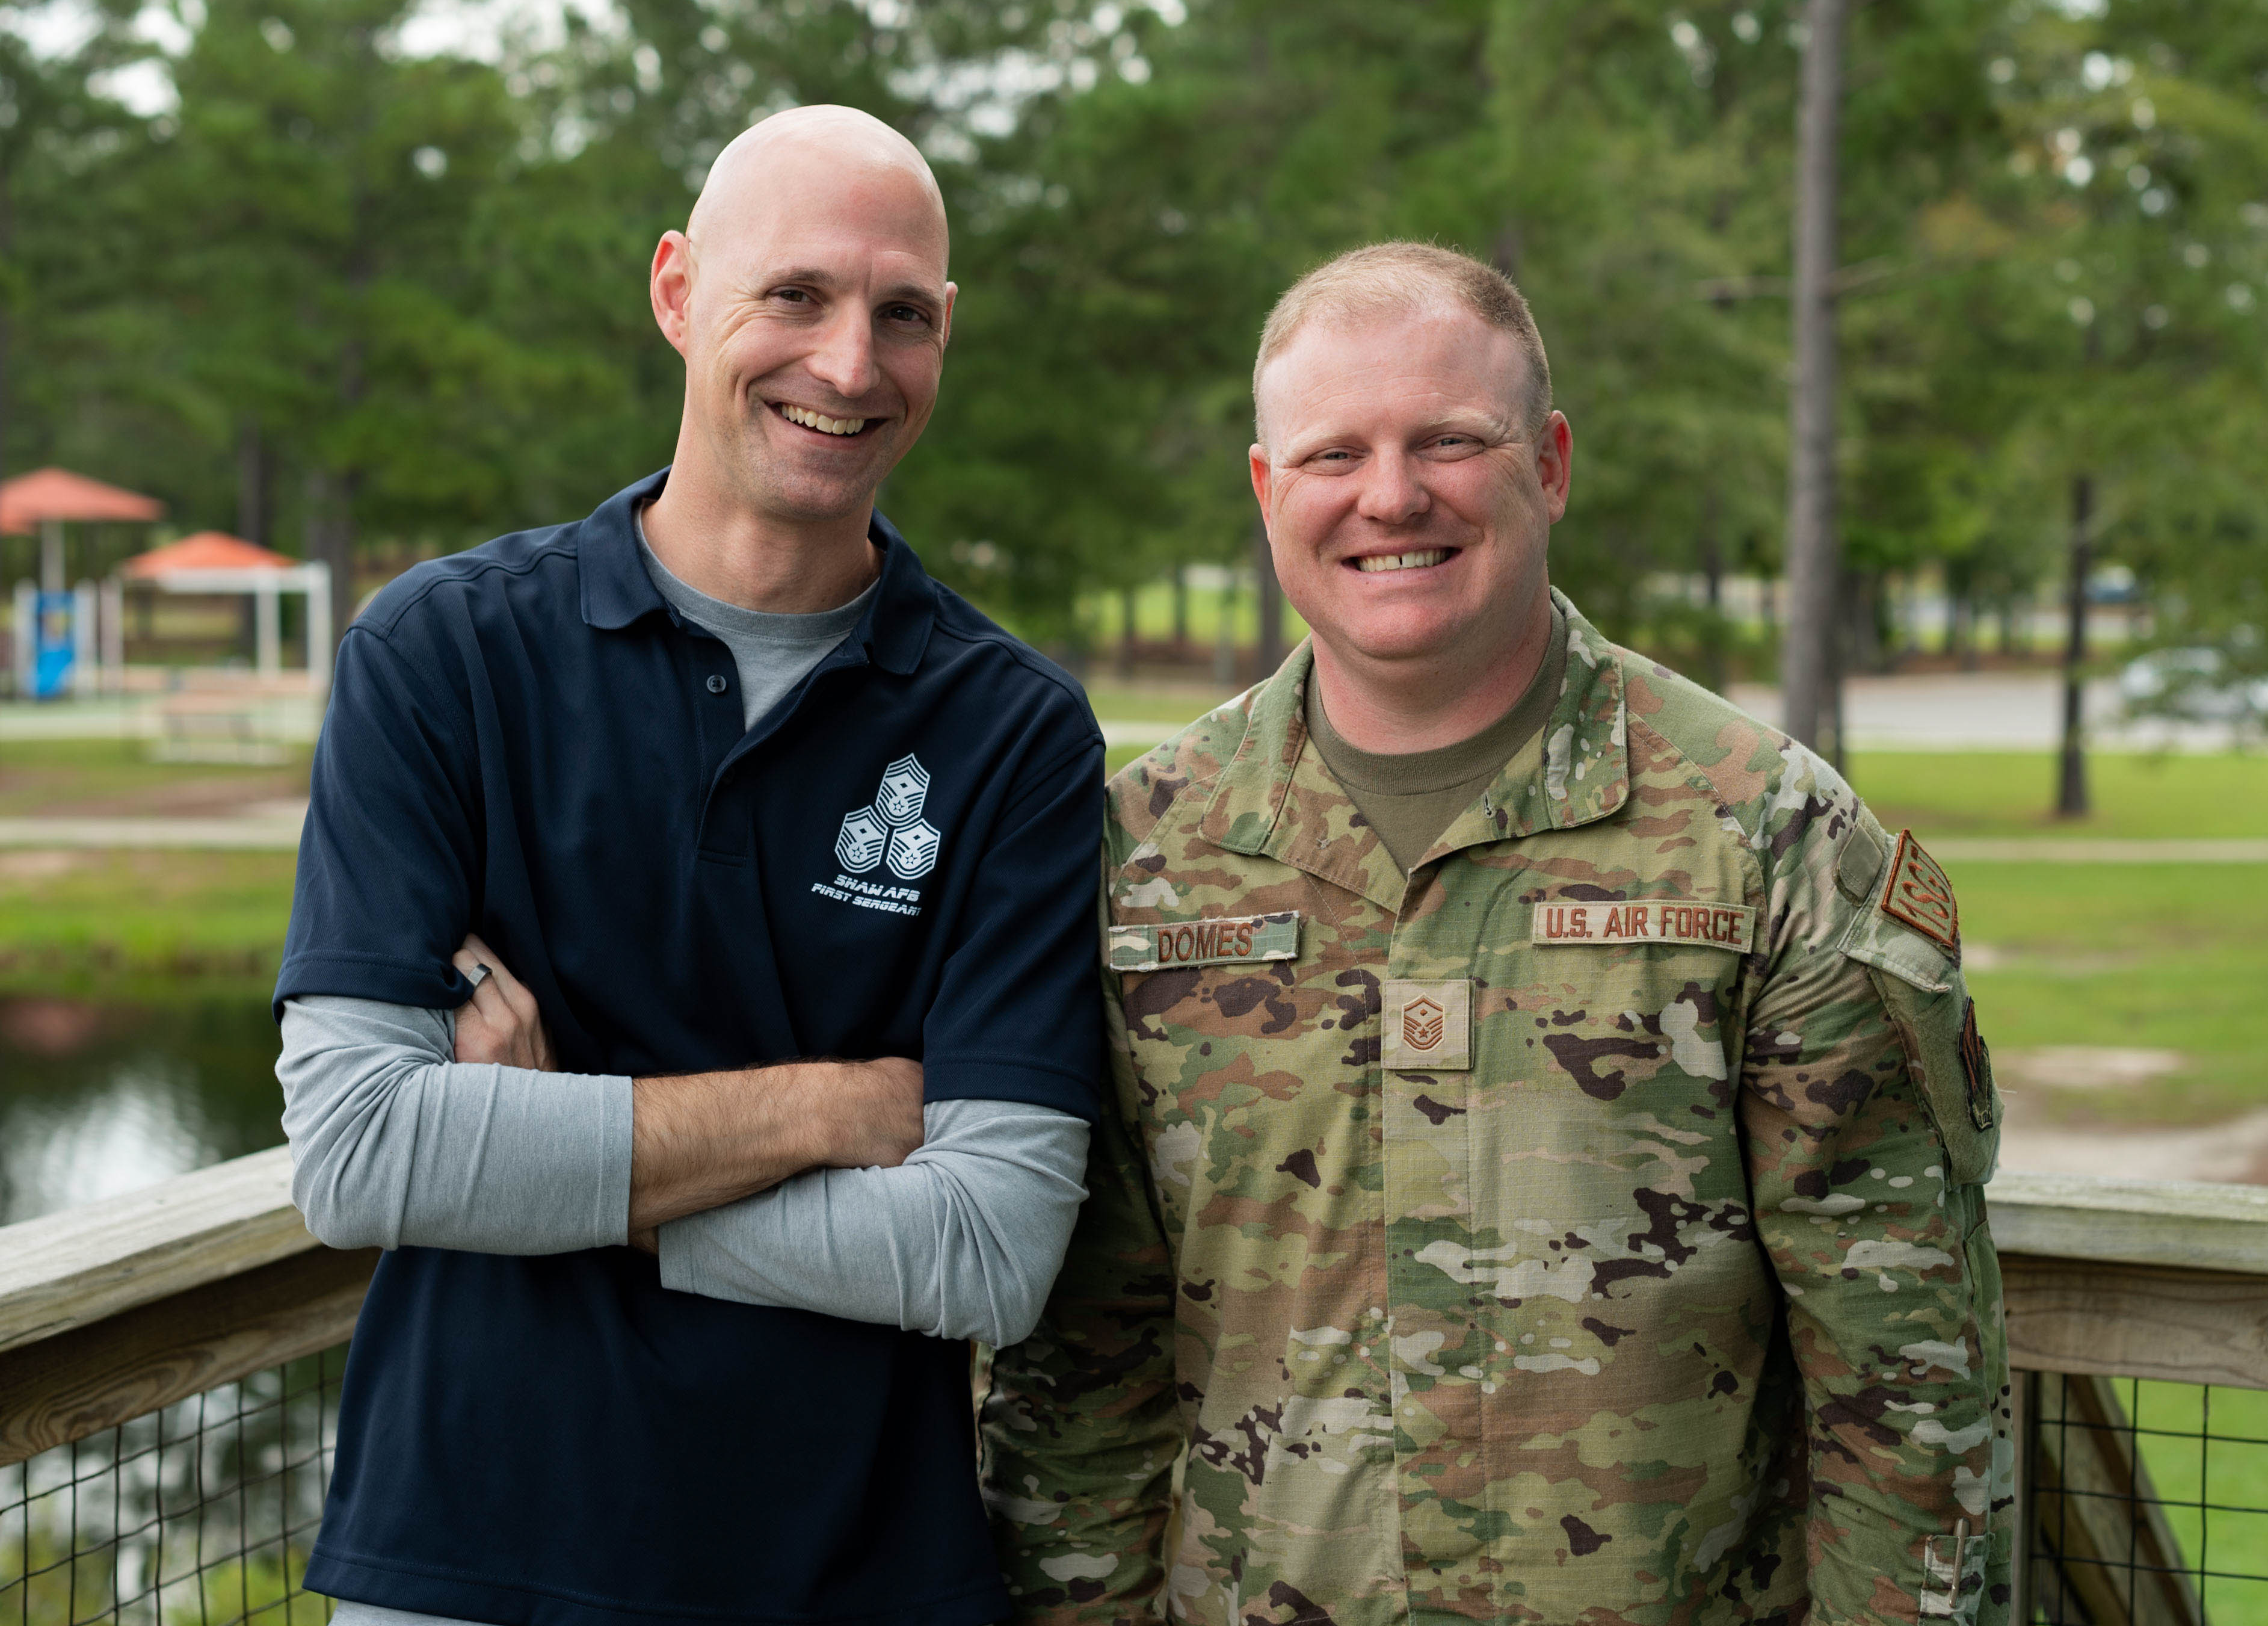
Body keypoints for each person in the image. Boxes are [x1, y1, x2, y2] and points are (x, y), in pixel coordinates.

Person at [979, 241, 2011, 1625]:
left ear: (1552, 462)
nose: (1391, 494)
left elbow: (1905, 1382)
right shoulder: (1145, 855)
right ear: (1266, 489)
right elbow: (1080, 1381)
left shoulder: (1763, 832)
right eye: (1333, 451)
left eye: (1450, 440)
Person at [274, 105, 1104, 1626]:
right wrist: (827, 1106)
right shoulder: (443, 654)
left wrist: (541, 1155)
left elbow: (987, 1248)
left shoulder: (1016, 733)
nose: (849, 363)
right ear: (675, 290)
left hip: (856, 1580)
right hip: (463, 1564)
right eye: (794, 294)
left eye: (900, 313)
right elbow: (360, 1152)